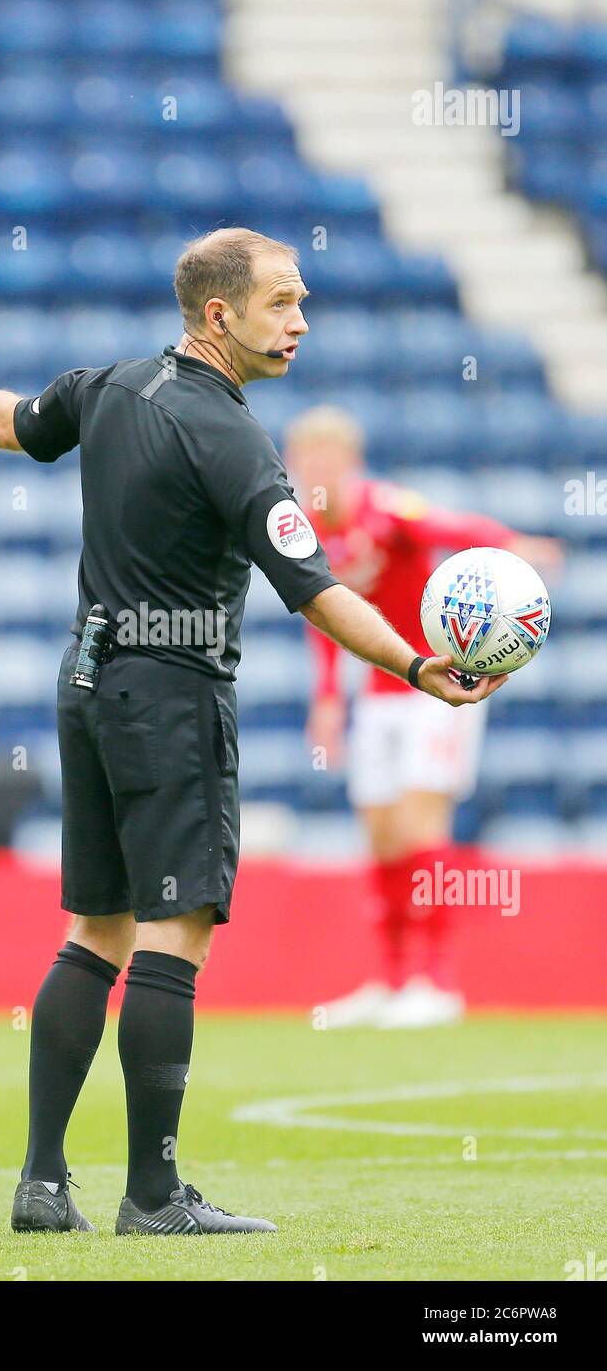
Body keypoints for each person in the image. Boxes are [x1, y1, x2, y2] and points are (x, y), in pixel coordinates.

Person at [0, 227, 507, 1237]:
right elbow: (313, 588)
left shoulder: (110, 385)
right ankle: (155, 1196)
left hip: (86, 683)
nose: (301, 321)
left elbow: (12, 423)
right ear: (220, 314)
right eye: (282, 302)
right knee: (175, 936)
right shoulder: (231, 437)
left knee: (94, 931)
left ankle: (43, 1185)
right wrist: (415, 665)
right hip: (172, 701)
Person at [286, 406, 562, 1028]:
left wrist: (510, 544)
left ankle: (437, 983)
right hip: (378, 699)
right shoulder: (308, 534)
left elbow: (451, 526)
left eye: (326, 461)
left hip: (436, 692)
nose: (314, 473)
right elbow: (326, 622)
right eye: (305, 463)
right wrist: (328, 697)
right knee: (381, 834)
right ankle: (389, 979)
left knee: (419, 824)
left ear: (349, 463)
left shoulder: (386, 509)